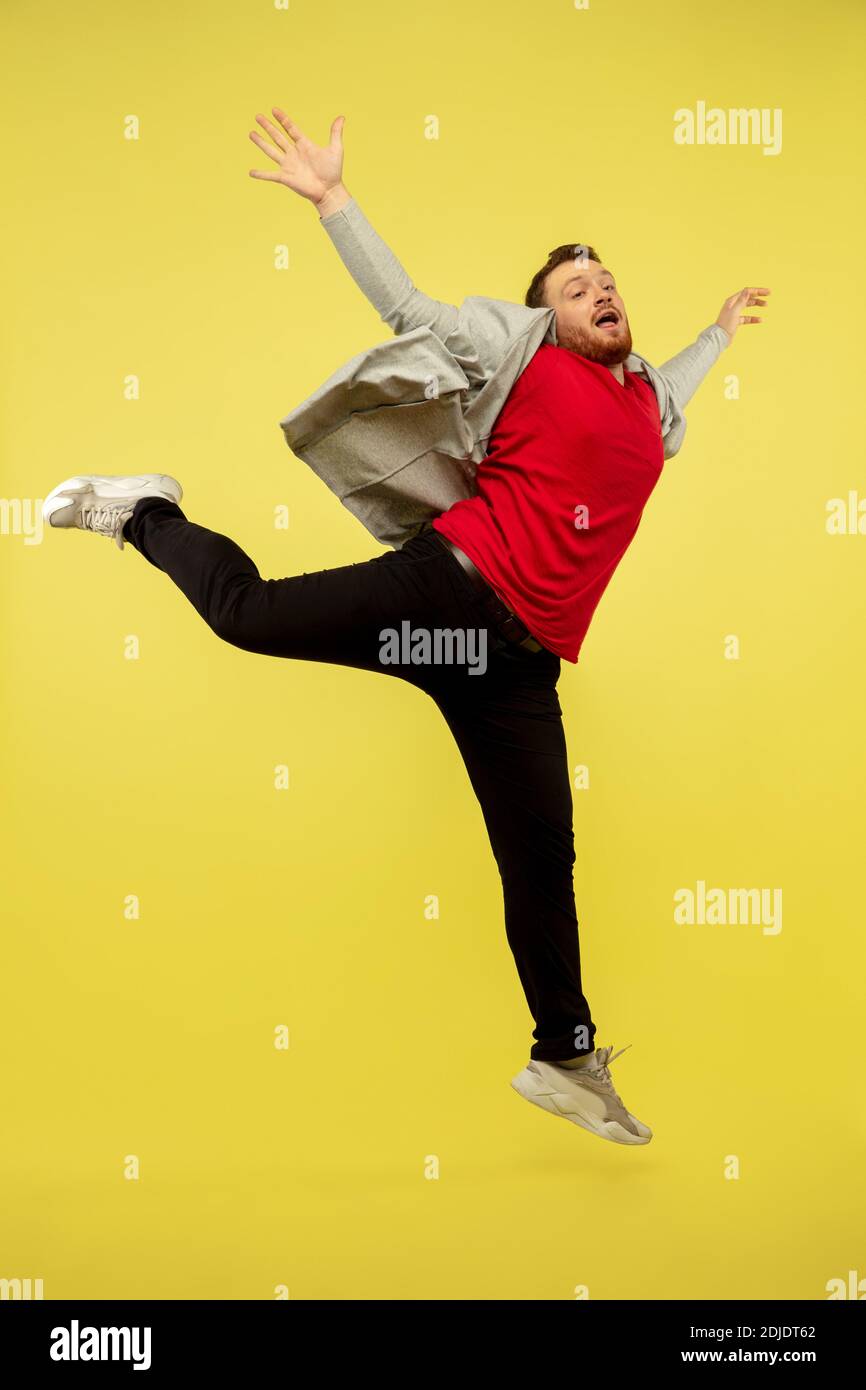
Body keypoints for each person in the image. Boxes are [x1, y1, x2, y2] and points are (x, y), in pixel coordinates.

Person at [41, 111, 770, 1146]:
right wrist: (333, 200)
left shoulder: (646, 401)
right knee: (247, 616)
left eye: (604, 279)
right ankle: (145, 511)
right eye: (574, 286)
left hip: (510, 665)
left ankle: (563, 1055)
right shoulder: (518, 359)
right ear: (544, 317)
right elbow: (405, 304)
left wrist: (715, 330)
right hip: (448, 593)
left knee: (539, 856)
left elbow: (679, 385)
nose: (598, 290)